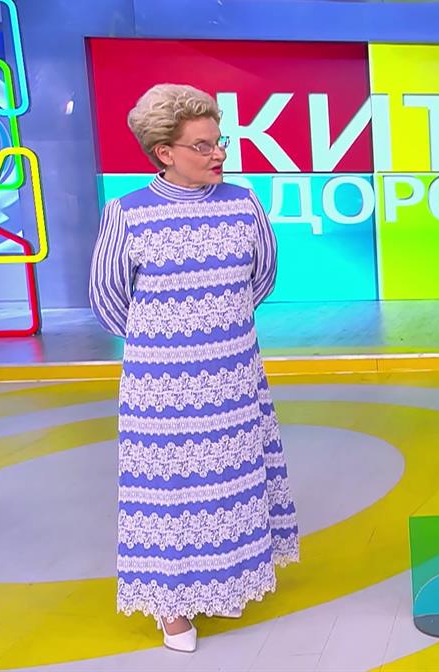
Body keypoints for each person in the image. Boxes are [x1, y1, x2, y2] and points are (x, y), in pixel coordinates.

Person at [88, 83, 299, 653]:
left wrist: (217, 328)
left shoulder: (244, 205)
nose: (219, 153)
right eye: (203, 146)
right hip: (160, 390)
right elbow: (108, 300)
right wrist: (170, 343)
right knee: (167, 497)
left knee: (230, 487)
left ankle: (224, 581)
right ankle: (171, 608)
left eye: (220, 141)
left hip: (234, 377)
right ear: (165, 152)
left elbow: (261, 278)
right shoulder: (127, 214)